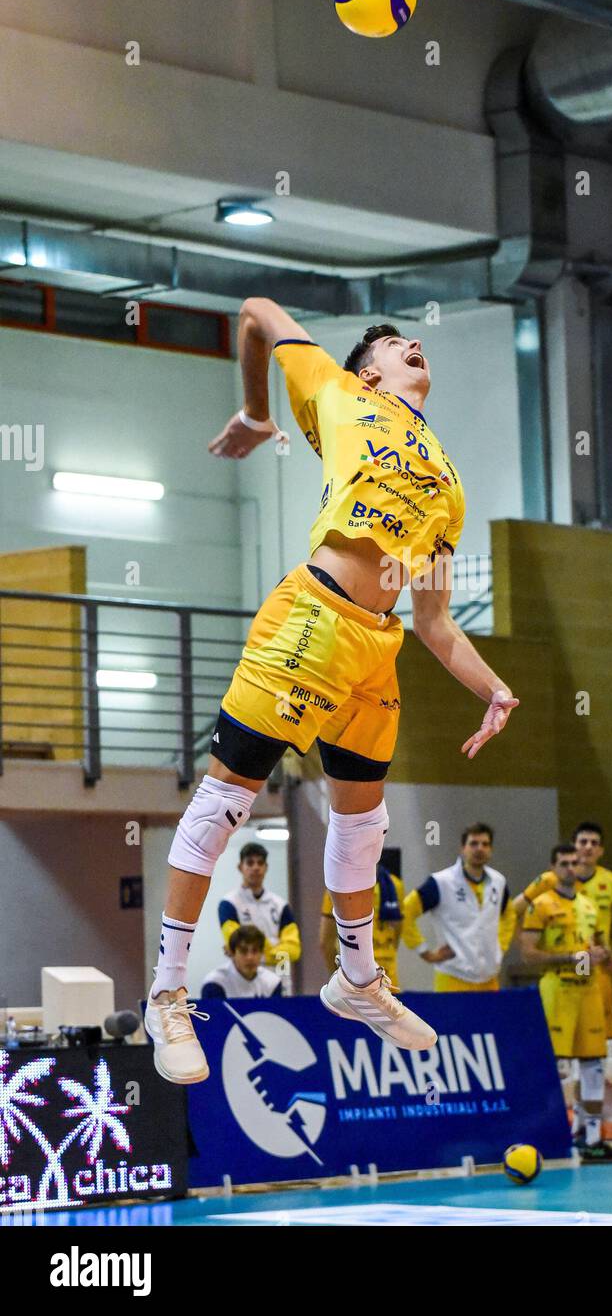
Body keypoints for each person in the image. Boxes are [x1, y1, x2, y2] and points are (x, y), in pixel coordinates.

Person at [145, 302, 518, 1084]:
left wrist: (493, 689)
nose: (413, 344)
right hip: (312, 619)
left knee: (363, 823)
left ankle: (356, 980)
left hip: (377, 648)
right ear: (367, 370)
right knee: (224, 803)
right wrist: (254, 411)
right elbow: (254, 312)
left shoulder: (446, 482)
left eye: (413, 341)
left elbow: (435, 620)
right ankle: (168, 993)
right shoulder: (338, 393)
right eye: (392, 342)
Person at [520, 844, 612, 1161]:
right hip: (558, 989)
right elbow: (528, 954)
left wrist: (602, 954)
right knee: (554, 1064)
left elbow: (601, 947)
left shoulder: (590, 906)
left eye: (574, 863)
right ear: (553, 867)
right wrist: (569, 957)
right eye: (563, 863)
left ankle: (589, 1135)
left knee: (591, 1065)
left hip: (588, 990)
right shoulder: (541, 905)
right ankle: (545, 1133)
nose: (569, 868)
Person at [514, 821, 612, 1046]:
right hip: (561, 971)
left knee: (599, 1042)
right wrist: (526, 946)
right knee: (559, 1044)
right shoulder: (549, 880)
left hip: (595, 969)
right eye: (582, 842)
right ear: (573, 846)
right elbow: (510, 911)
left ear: (601, 850)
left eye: (594, 843)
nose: (588, 847)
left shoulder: (611, 881)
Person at [401, 824, 517, 990]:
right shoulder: (441, 882)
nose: (479, 849)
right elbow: (406, 911)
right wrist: (424, 951)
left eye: (485, 844)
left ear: (491, 849)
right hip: (453, 976)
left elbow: (509, 914)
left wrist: (500, 946)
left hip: (489, 977)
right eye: (474, 843)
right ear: (463, 848)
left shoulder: (498, 882)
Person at [218, 843, 301, 986]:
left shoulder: (281, 905)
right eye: (250, 863)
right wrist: (276, 950)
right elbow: (235, 942)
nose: (255, 867)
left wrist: (255, 954)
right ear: (240, 867)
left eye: (260, 863)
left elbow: (294, 950)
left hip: (280, 981)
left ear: (266, 867)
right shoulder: (229, 904)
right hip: (243, 983)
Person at [321, 863, 405, 989]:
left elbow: (398, 931)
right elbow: (326, 943)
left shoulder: (395, 885)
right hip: (360, 977)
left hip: (378, 976)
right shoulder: (338, 889)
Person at [201, 925, 285, 1000]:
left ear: (262, 953)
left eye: (255, 951)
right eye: (243, 951)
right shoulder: (215, 982)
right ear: (232, 953)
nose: (250, 957)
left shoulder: (273, 982)